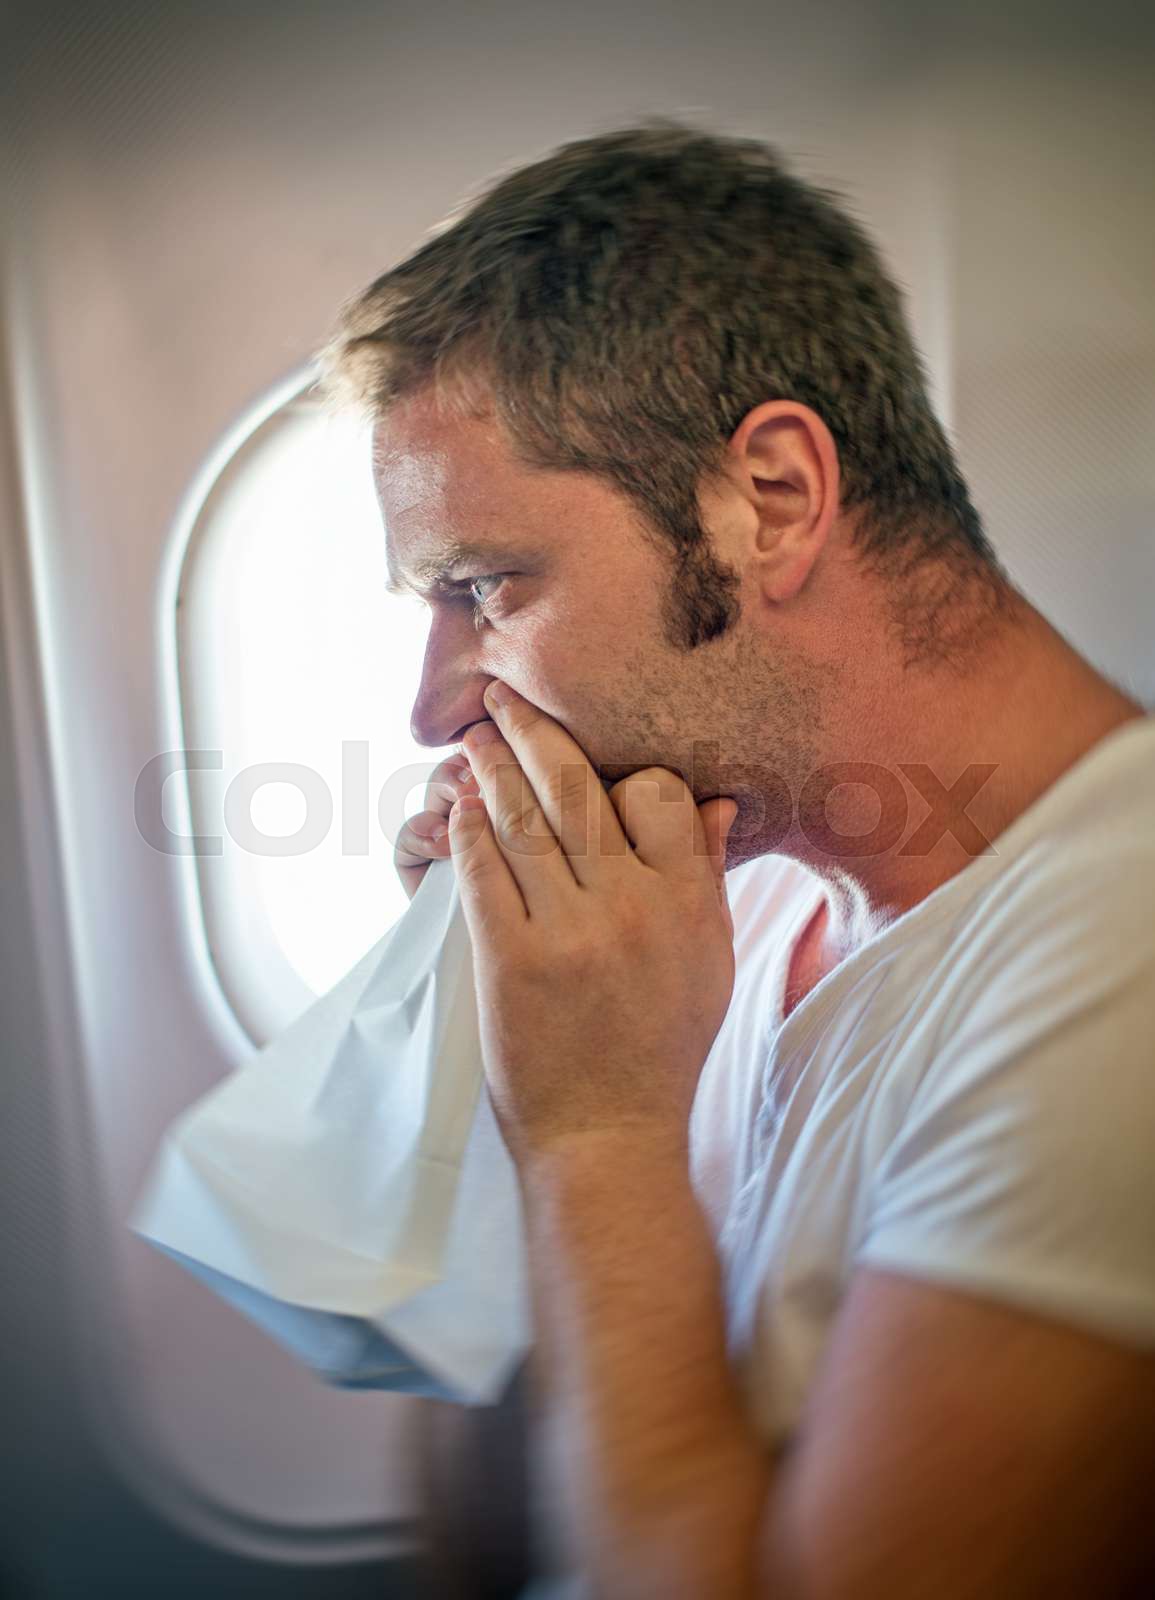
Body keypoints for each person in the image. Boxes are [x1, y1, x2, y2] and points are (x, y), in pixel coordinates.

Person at [318, 119, 1155, 1598]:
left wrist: (597, 1139)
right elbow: (508, 1537)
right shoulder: (711, 911)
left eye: (484, 587)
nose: (438, 705)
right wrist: (483, 1051)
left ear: (768, 500)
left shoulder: (1121, 959)